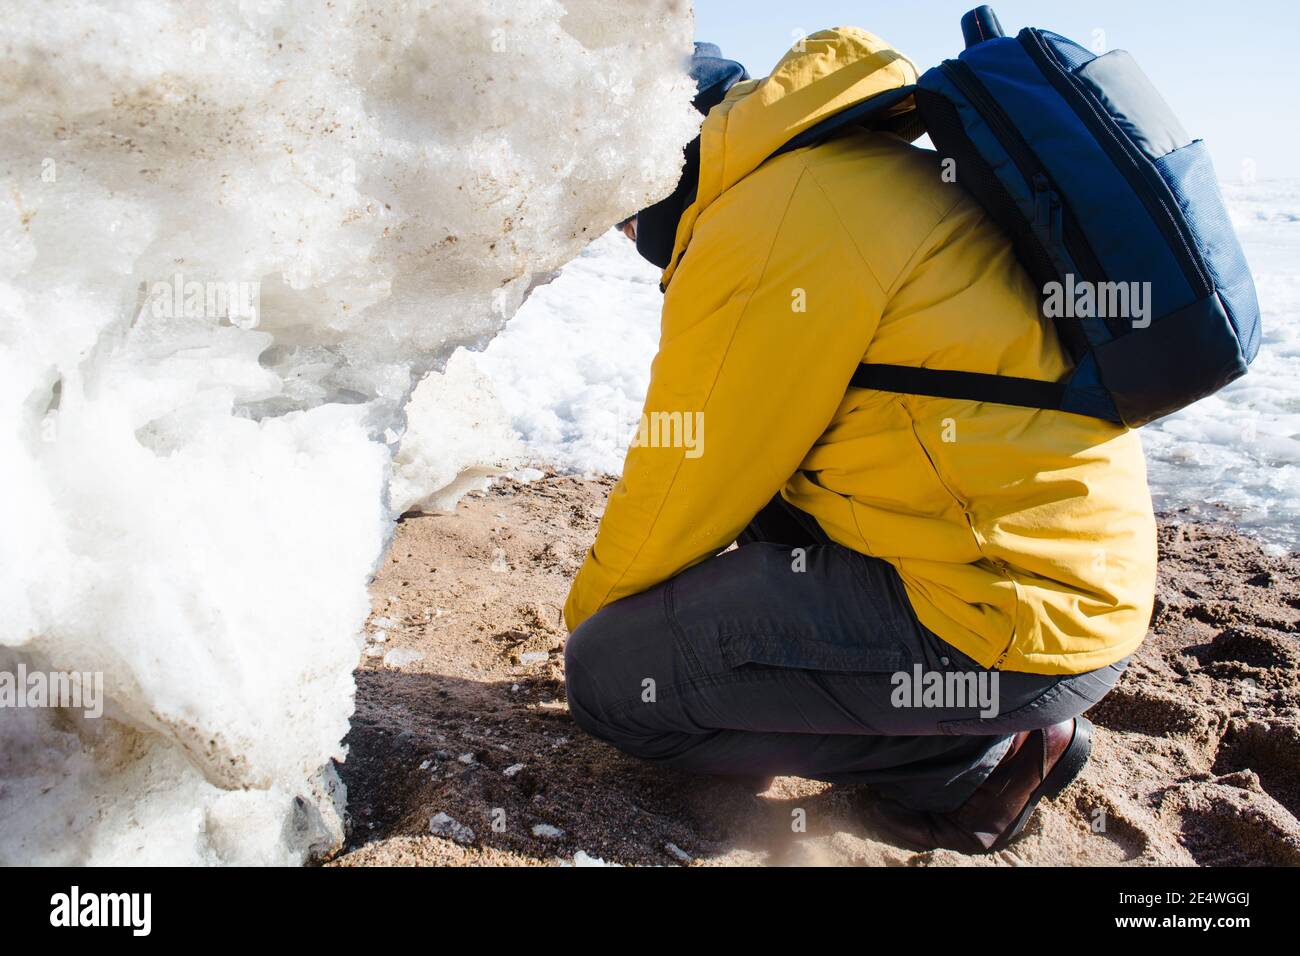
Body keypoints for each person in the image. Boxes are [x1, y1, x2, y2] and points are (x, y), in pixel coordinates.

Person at [562, 30, 1156, 853]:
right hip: (1065, 586)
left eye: (619, 202)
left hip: (1005, 620)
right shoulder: (852, 177)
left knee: (609, 680)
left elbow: (685, 469)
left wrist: (590, 626)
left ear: (665, 153)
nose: (624, 231)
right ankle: (981, 727)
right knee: (765, 509)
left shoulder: (769, 223)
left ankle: (972, 762)